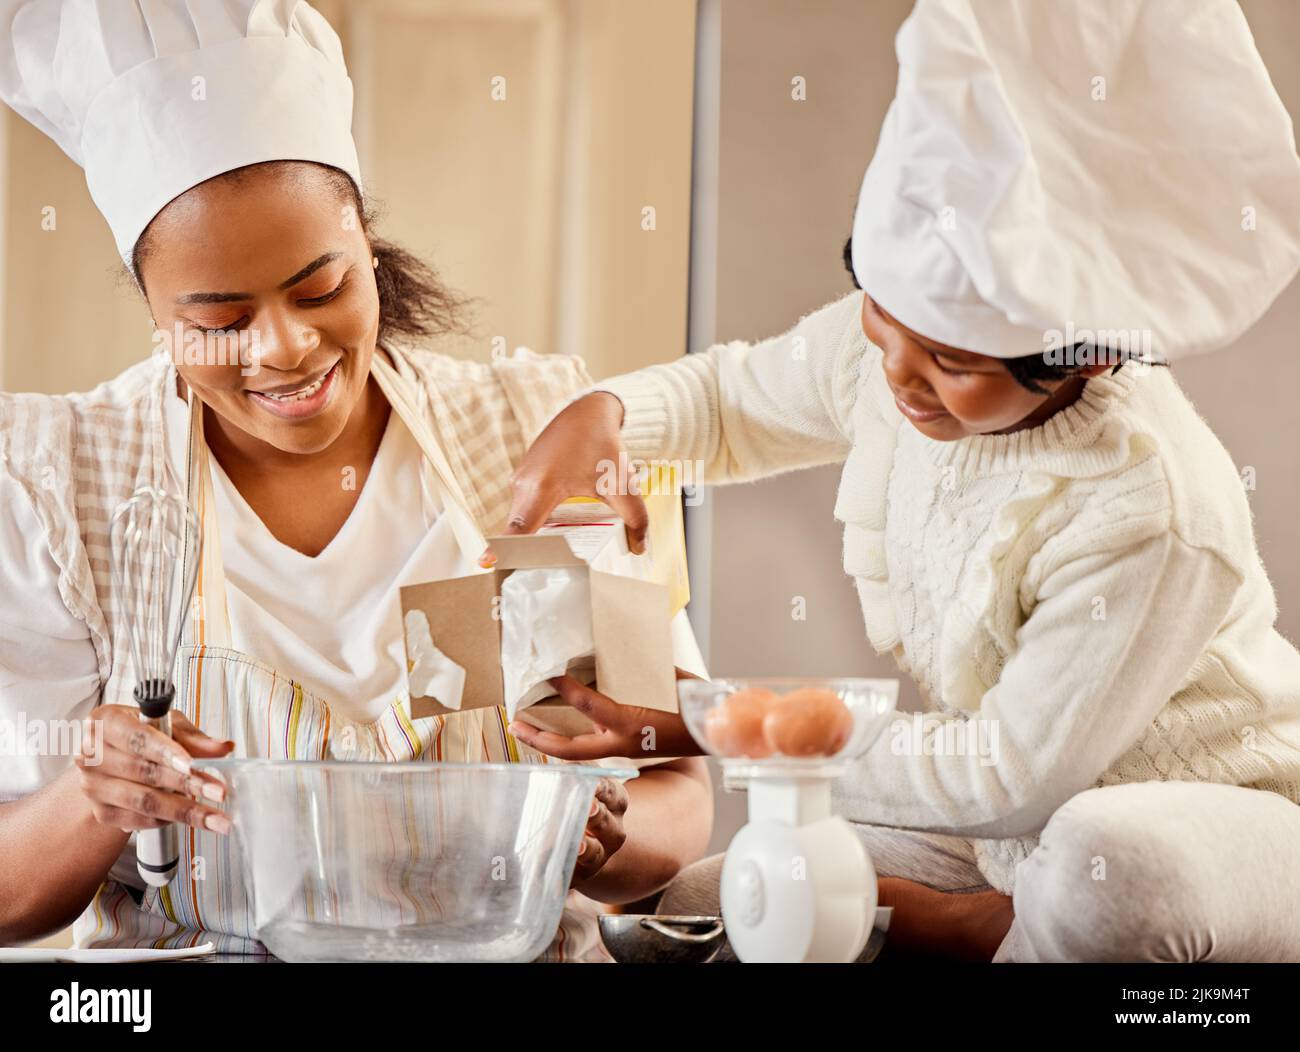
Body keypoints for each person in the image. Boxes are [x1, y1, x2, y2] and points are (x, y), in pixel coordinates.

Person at [502, 0, 1300, 962]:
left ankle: (975, 930)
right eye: (881, 326)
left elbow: (1008, 774)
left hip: (1220, 822)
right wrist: (608, 414)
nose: (896, 377)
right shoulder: (891, 352)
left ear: (1084, 360)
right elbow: (734, 401)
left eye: (950, 361)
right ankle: (996, 922)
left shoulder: (1151, 508)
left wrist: (720, 724)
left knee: (1112, 871)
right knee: (717, 897)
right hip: (1009, 832)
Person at [0, 0, 710, 960]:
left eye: (320, 289)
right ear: (155, 308)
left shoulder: (540, 431)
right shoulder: (55, 486)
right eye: (218, 317)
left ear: (368, 248)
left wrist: (599, 846)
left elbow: (677, 787)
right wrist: (91, 801)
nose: (284, 348)